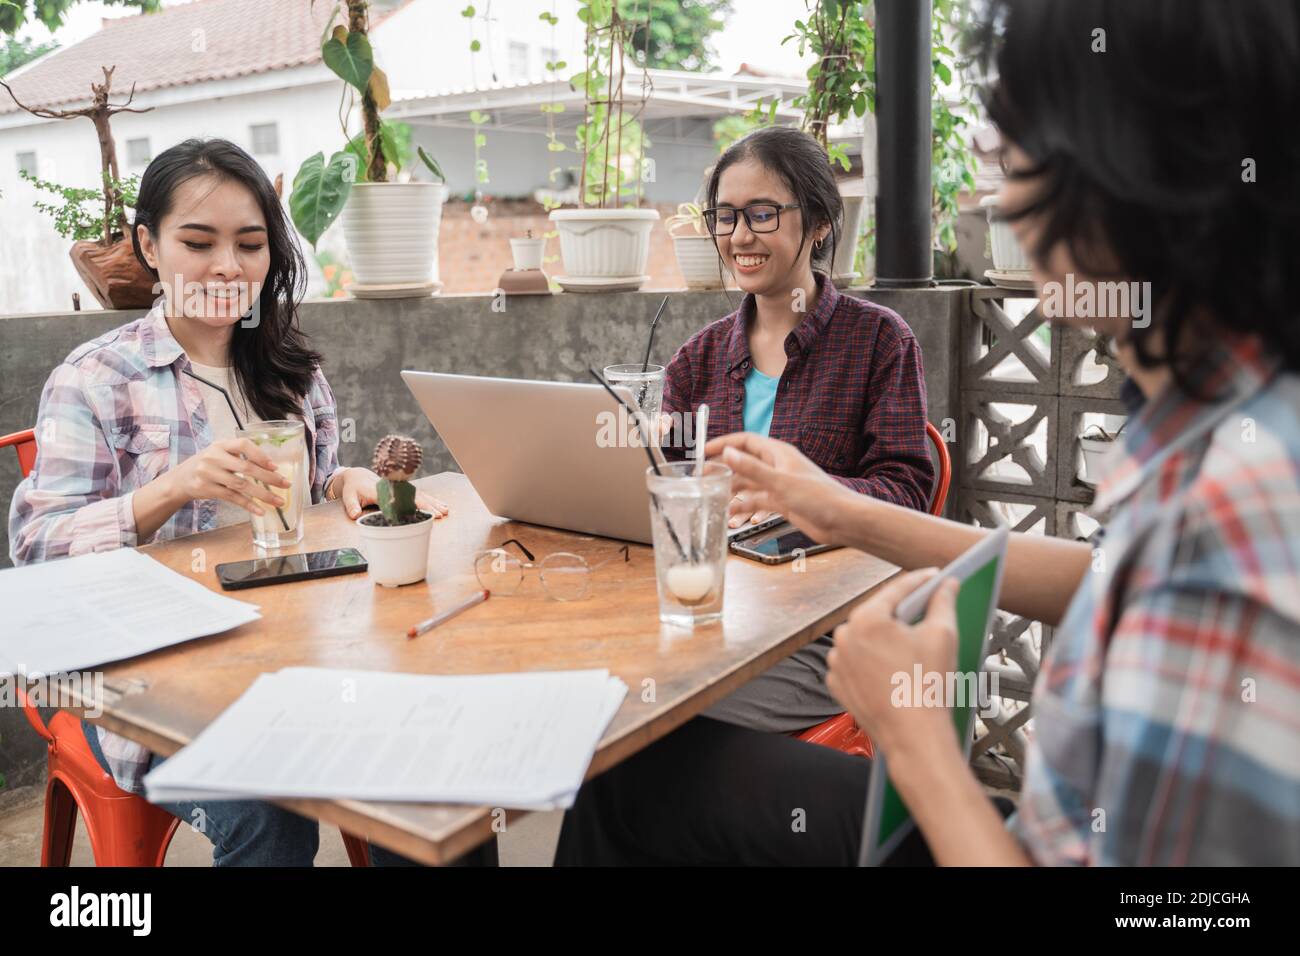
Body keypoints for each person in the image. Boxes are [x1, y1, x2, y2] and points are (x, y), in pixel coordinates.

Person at [556, 0, 1300, 866]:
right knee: (626, 771)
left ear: (1134, 171)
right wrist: (836, 509)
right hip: (1008, 806)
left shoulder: (1233, 517)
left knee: (623, 759)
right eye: (726, 215)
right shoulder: (1204, 433)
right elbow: (1107, 580)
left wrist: (913, 739)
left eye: (1017, 161)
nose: (1004, 202)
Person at [9, 138, 447, 866]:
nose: (227, 266)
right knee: (269, 812)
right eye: (198, 241)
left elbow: (313, 484)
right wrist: (168, 489)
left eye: (251, 244)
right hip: (144, 680)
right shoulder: (94, 378)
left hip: (293, 651)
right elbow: (36, 548)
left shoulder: (290, 369)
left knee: (423, 764)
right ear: (149, 245)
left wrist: (344, 484)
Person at [660, 125, 933, 733]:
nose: (739, 237)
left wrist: (802, 494)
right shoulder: (695, 360)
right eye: (724, 217)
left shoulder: (879, 340)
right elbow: (668, 488)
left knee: (654, 718)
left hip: (827, 636)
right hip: (718, 615)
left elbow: (911, 493)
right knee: (617, 696)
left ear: (818, 224)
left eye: (761, 214)